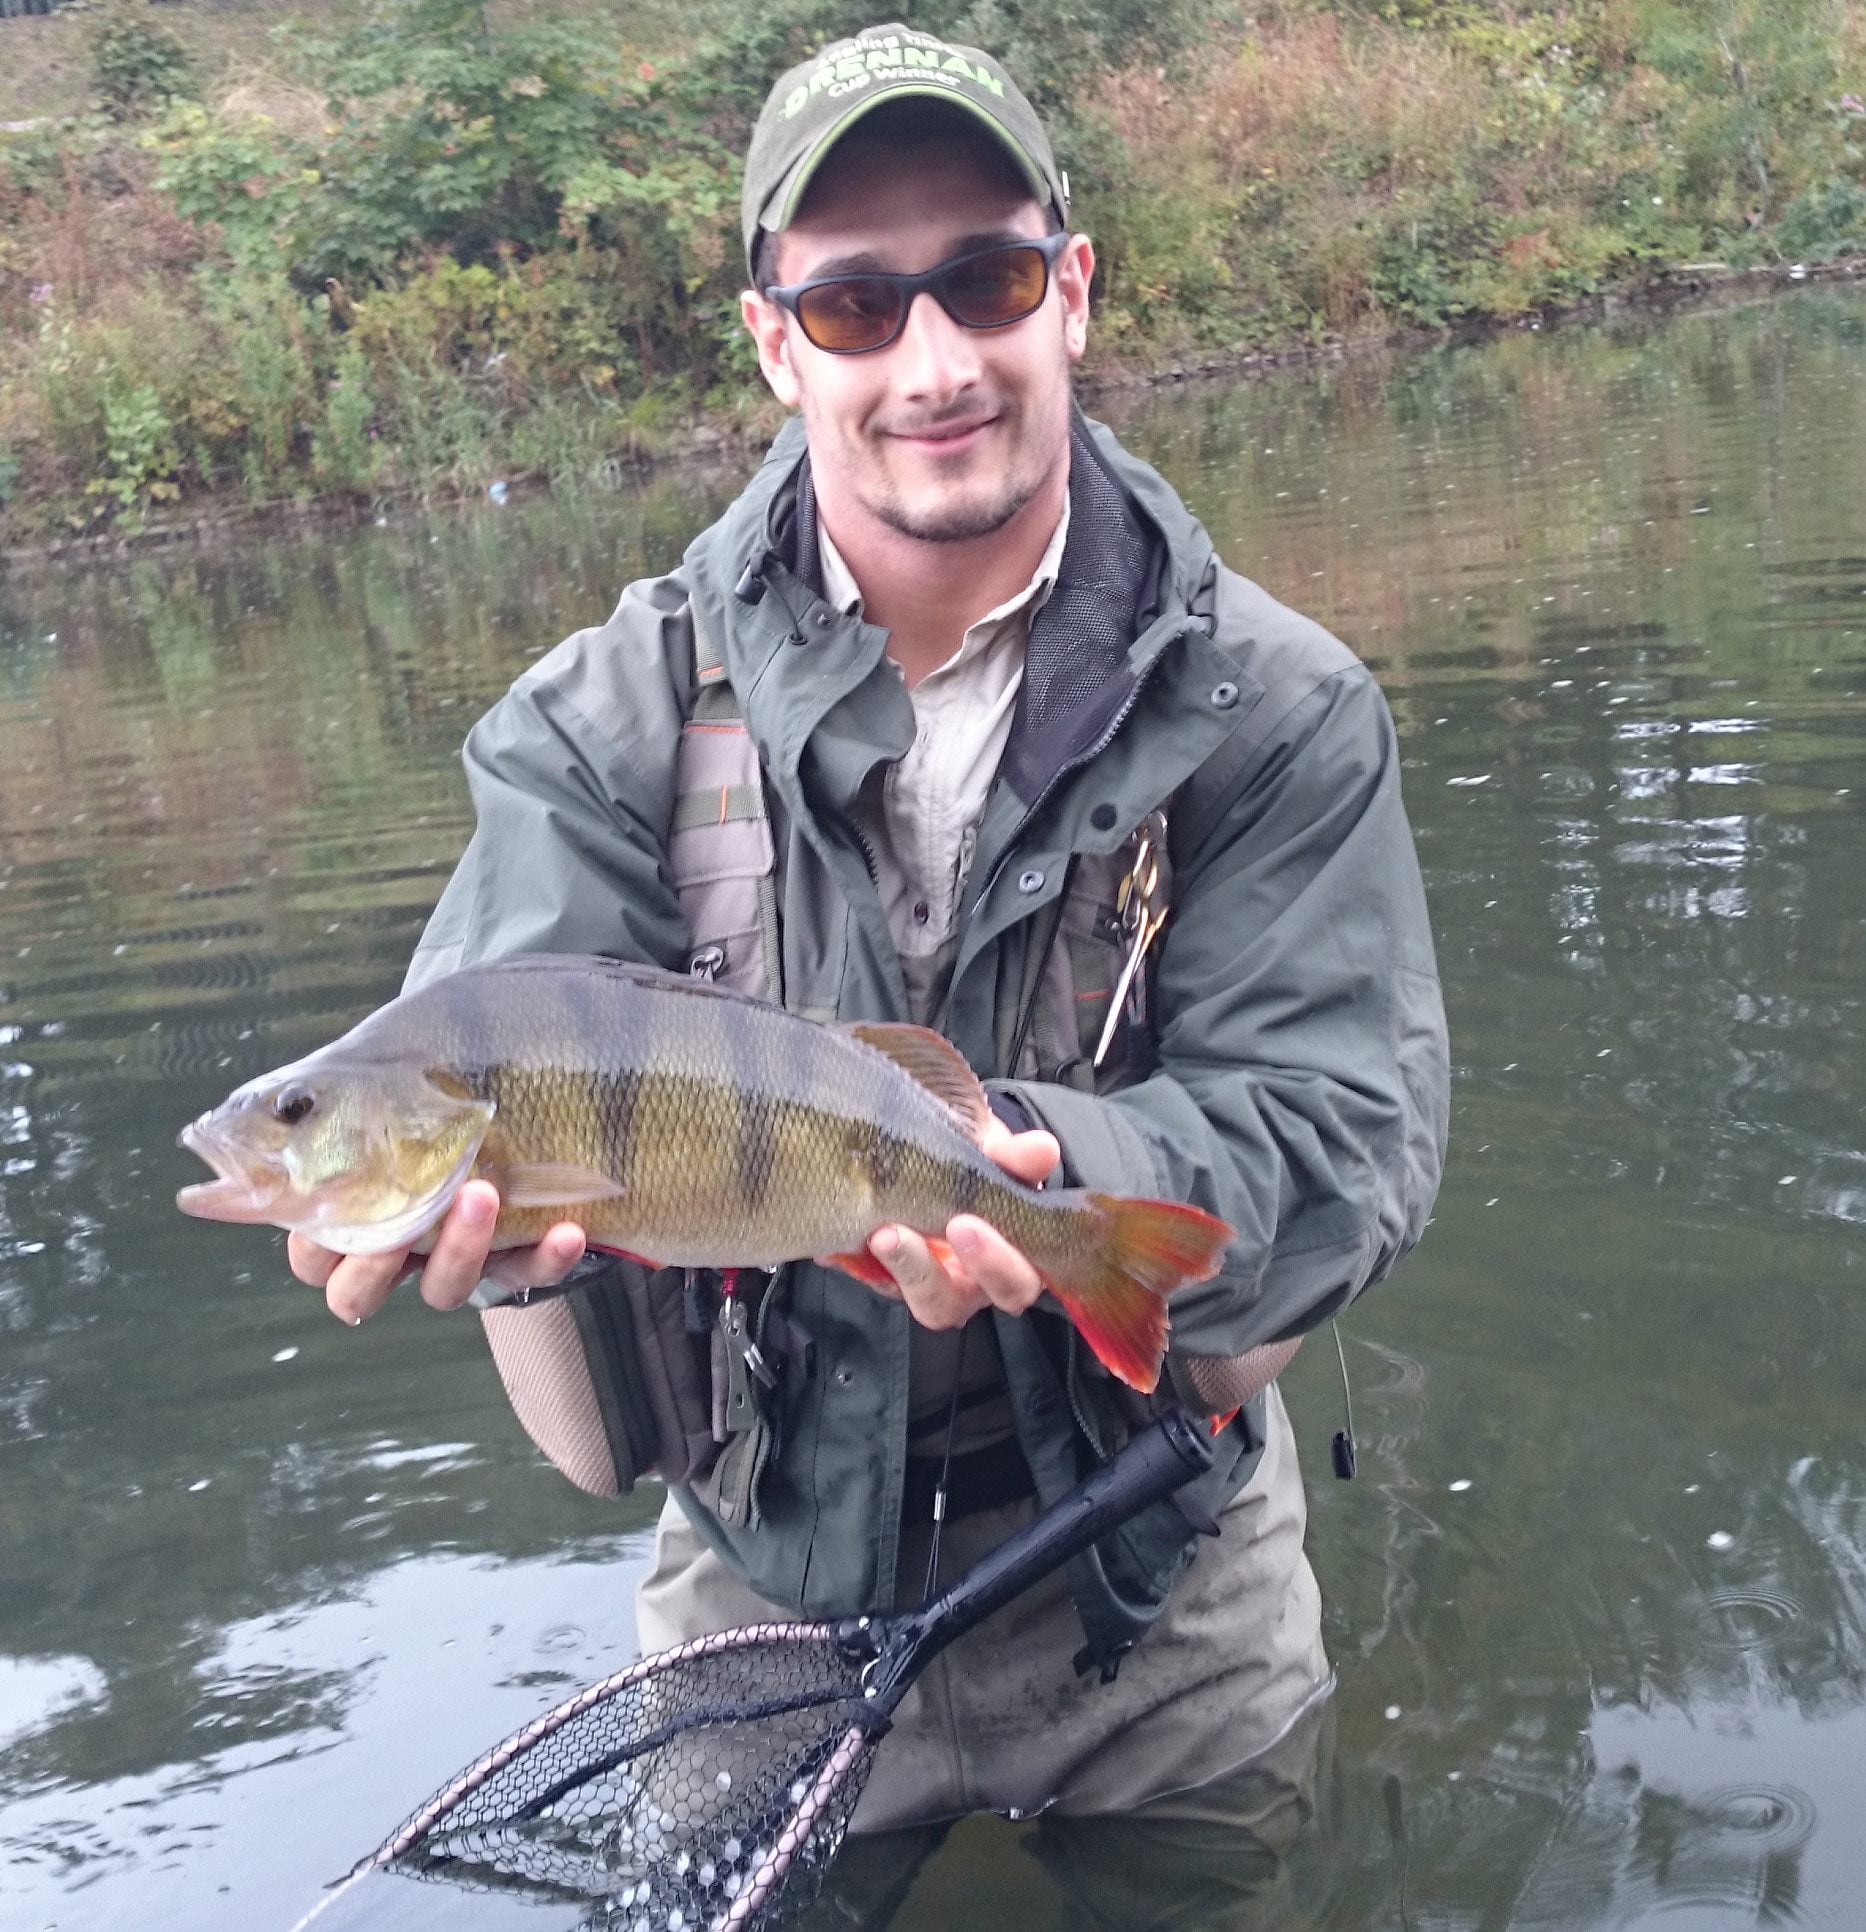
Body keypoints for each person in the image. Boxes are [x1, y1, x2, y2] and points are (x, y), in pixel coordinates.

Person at [289, 20, 1447, 1917]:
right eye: (851, 305)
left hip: (1163, 1575)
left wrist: (1057, 1175)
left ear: (1069, 294)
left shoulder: (1279, 707)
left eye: (982, 280)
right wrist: (466, 1231)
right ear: (771, 342)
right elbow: (499, 1047)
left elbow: (1341, 1143)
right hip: (763, 1594)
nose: (932, 362)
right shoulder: (589, 730)